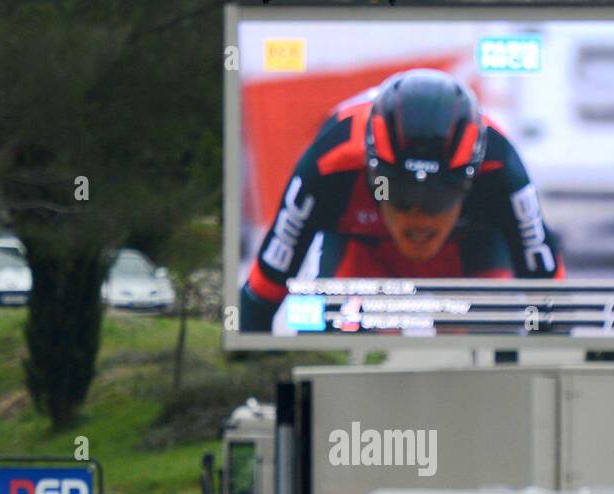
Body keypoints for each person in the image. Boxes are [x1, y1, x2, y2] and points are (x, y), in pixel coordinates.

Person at [240, 67, 565, 333]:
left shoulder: (500, 168)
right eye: (400, 194)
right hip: (365, 248)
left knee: (493, 338)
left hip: (469, 247)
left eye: (438, 197)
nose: (418, 216)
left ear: (471, 179)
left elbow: (553, 302)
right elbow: (261, 294)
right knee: (331, 343)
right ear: (371, 173)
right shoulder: (330, 163)